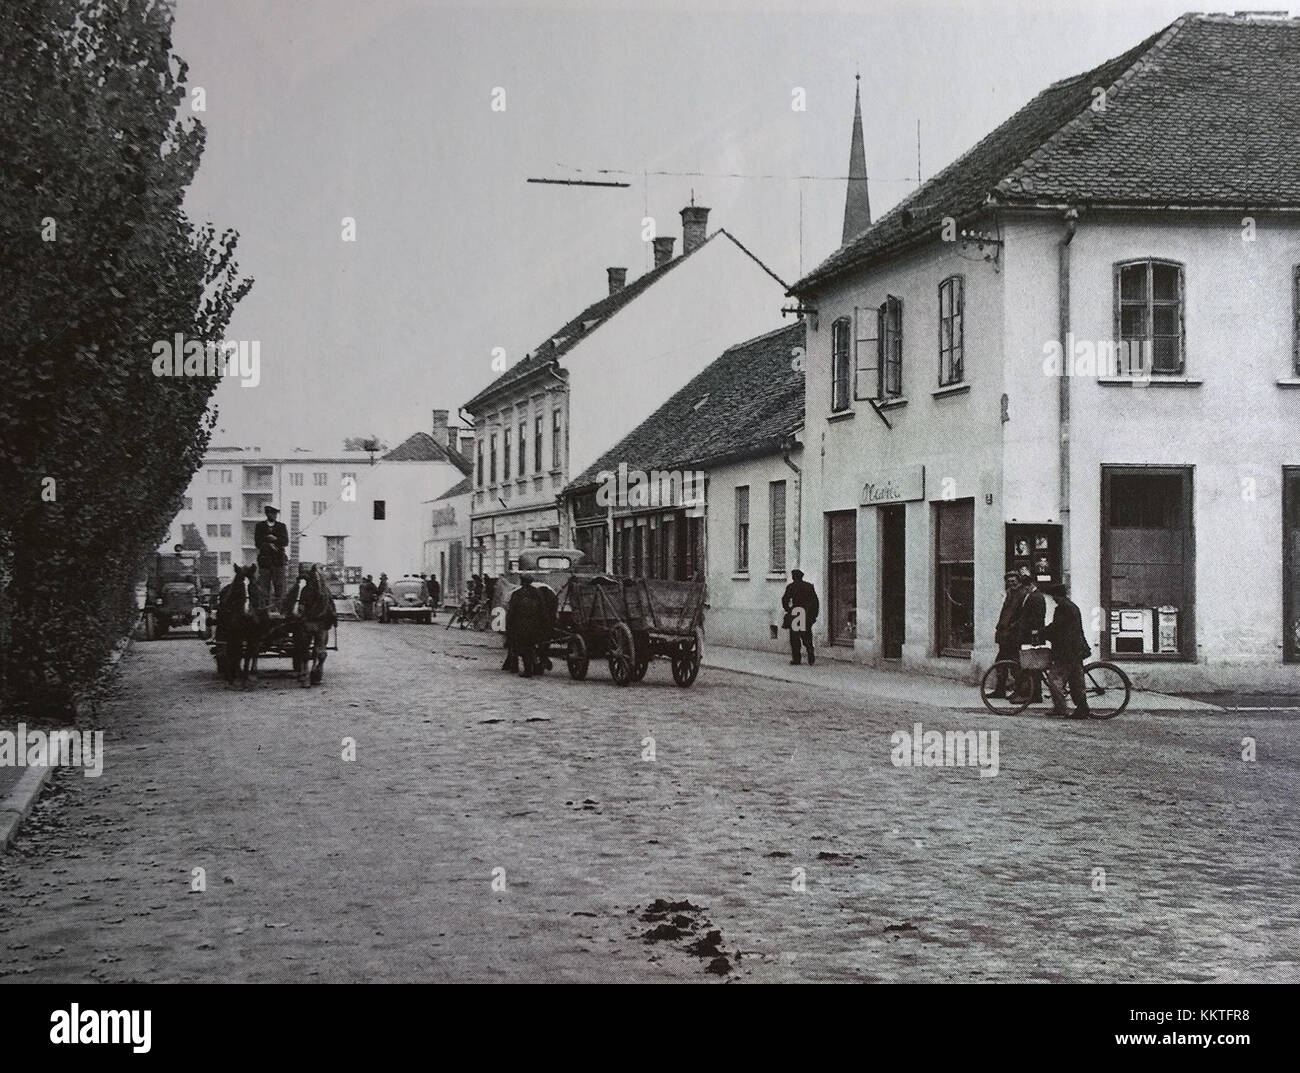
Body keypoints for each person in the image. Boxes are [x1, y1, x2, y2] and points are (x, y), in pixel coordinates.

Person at [1042, 582, 1092, 718]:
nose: (1054, 599)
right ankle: (1082, 708)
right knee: (1076, 681)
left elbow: (1057, 628)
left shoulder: (1062, 608)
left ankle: (1060, 708)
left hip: (1066, 650)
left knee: (1054, 678)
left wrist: (1043, 633)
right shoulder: (1072, 606)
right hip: (1076, 649)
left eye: (1054, 597)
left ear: (1058, 596)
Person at [989, 570, 1027, 697]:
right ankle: (1000, 690)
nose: (1011, 583)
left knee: (1014, 665)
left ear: (1018, 581)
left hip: (1013, 636)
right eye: (1009, 581)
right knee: (1001, 663)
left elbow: (1022, 616)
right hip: (1004, 635)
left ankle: (1019, 691)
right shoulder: (1010, 594)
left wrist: (1012, 627)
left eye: (1014, 581)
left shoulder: (1022, 594)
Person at [1011, 572, 1046, 705]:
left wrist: (1034, 636)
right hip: (1028, 636)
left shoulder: (1036, 597)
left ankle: (1034, 694)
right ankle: (1032, 693)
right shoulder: (1032, 596)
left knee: (1033, 668)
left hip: (1032, 638)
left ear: (1030, 585)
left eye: (1025, 586)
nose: (1024, 589)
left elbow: (1036, 619)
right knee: (1032, 667)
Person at [504, 574, 546, 677]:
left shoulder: (517, 594)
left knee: (524, 648)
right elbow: (543, 609)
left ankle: (528, 671)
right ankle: (536, 667)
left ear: (521, 582)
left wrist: (508, 625)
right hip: (535, 625)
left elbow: (512, 611)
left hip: (521, 625)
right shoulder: (538, 593)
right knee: (532, 646)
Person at [781, 569, 820, 666]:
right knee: (807, 636)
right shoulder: (809, 586)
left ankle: (796, 659)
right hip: (806, 614)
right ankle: (810, 653)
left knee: (795, 638)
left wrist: (788, 609)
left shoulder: (791, 587)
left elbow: (784, 600)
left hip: (796, 613)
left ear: (794, 577)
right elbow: (815, 602)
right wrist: (813, 615)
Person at [253, 504, 289, 604]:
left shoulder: (281, 526)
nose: (274, 516)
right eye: (271, 514)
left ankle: (279, 608)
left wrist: (275, 539)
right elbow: (257, 543)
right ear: (267, 514)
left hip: (279, 563)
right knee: (264, 587)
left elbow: (285, 542)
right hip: (265, 563)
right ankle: (265, 608)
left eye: (275, 514)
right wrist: (269, 544)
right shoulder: (260, 526)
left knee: (279, 587)